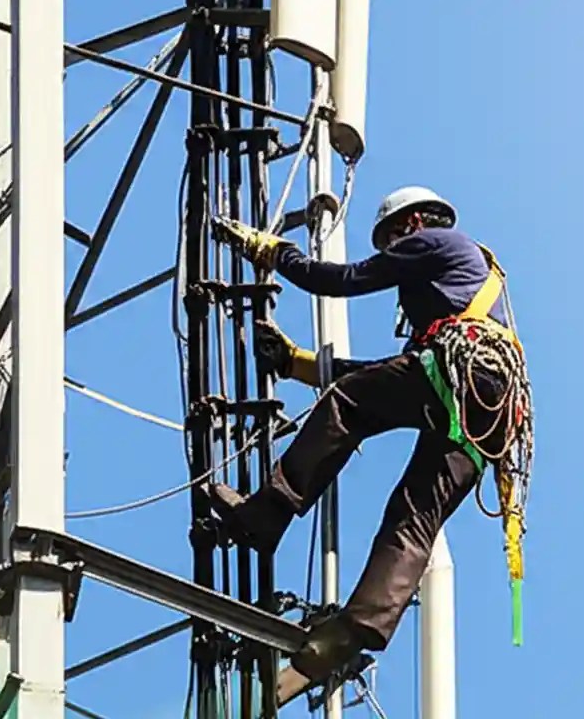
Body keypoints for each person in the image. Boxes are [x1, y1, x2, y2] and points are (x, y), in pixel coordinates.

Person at [209, 186, 534, 694]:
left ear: (411, 224)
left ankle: (266, 515)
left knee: (347, 403)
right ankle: (356, 627)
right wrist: (299, 365)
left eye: (390, 244)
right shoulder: (459, 293)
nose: (391, 257)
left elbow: (342, 281)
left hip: (460, 373)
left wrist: (277, 253)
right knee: (413, 515)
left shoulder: (434, 241)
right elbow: (386, 380)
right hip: (488, 413)